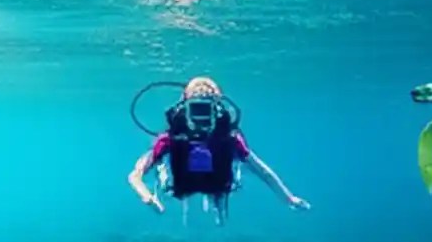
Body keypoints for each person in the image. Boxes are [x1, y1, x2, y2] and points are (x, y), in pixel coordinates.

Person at [127, 76, 310, 224]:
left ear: (217, 110)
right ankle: (218, 204)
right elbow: (136, 174)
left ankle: (218, 204)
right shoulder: (171, 139)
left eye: (206, 109)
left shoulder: (229, 138)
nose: (201, 117)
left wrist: (290, 199)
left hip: (200, 184)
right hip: (186, 185)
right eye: (196, 109)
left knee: (222, 176)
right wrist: (147, 197)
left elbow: (263, 172)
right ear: (184, 108)